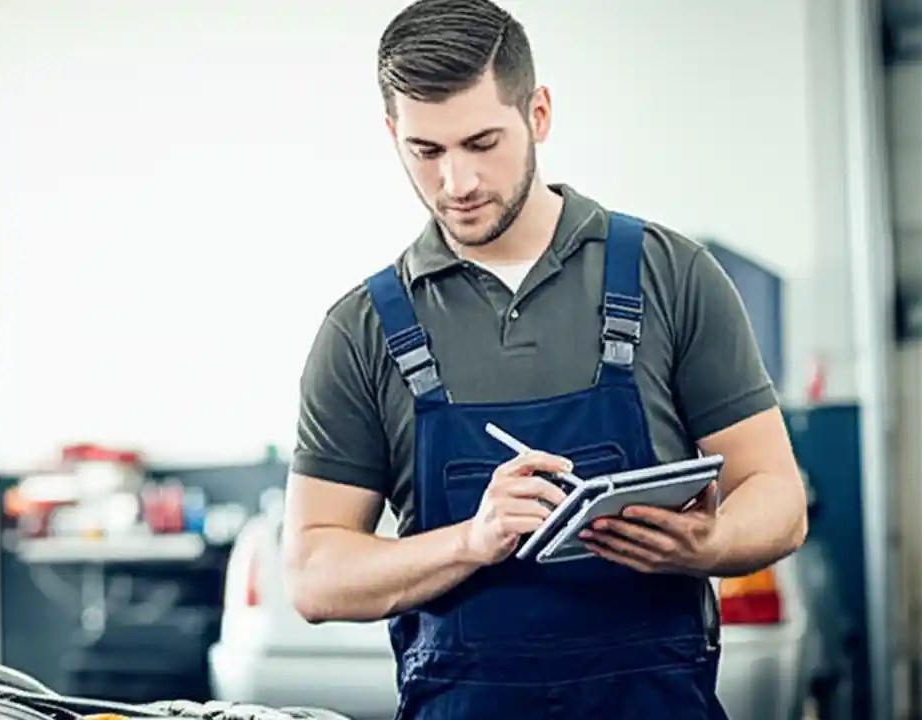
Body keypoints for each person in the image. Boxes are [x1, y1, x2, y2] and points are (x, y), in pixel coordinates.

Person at [281, 1, 810, 717]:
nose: (458, 183)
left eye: (481, 141)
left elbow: (777, 497)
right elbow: (314, 575)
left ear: (538, 114)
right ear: (391, 135)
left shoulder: (672, 275)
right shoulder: (362, 330)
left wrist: (706, 541)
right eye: (426, 152)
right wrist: (473, 540)